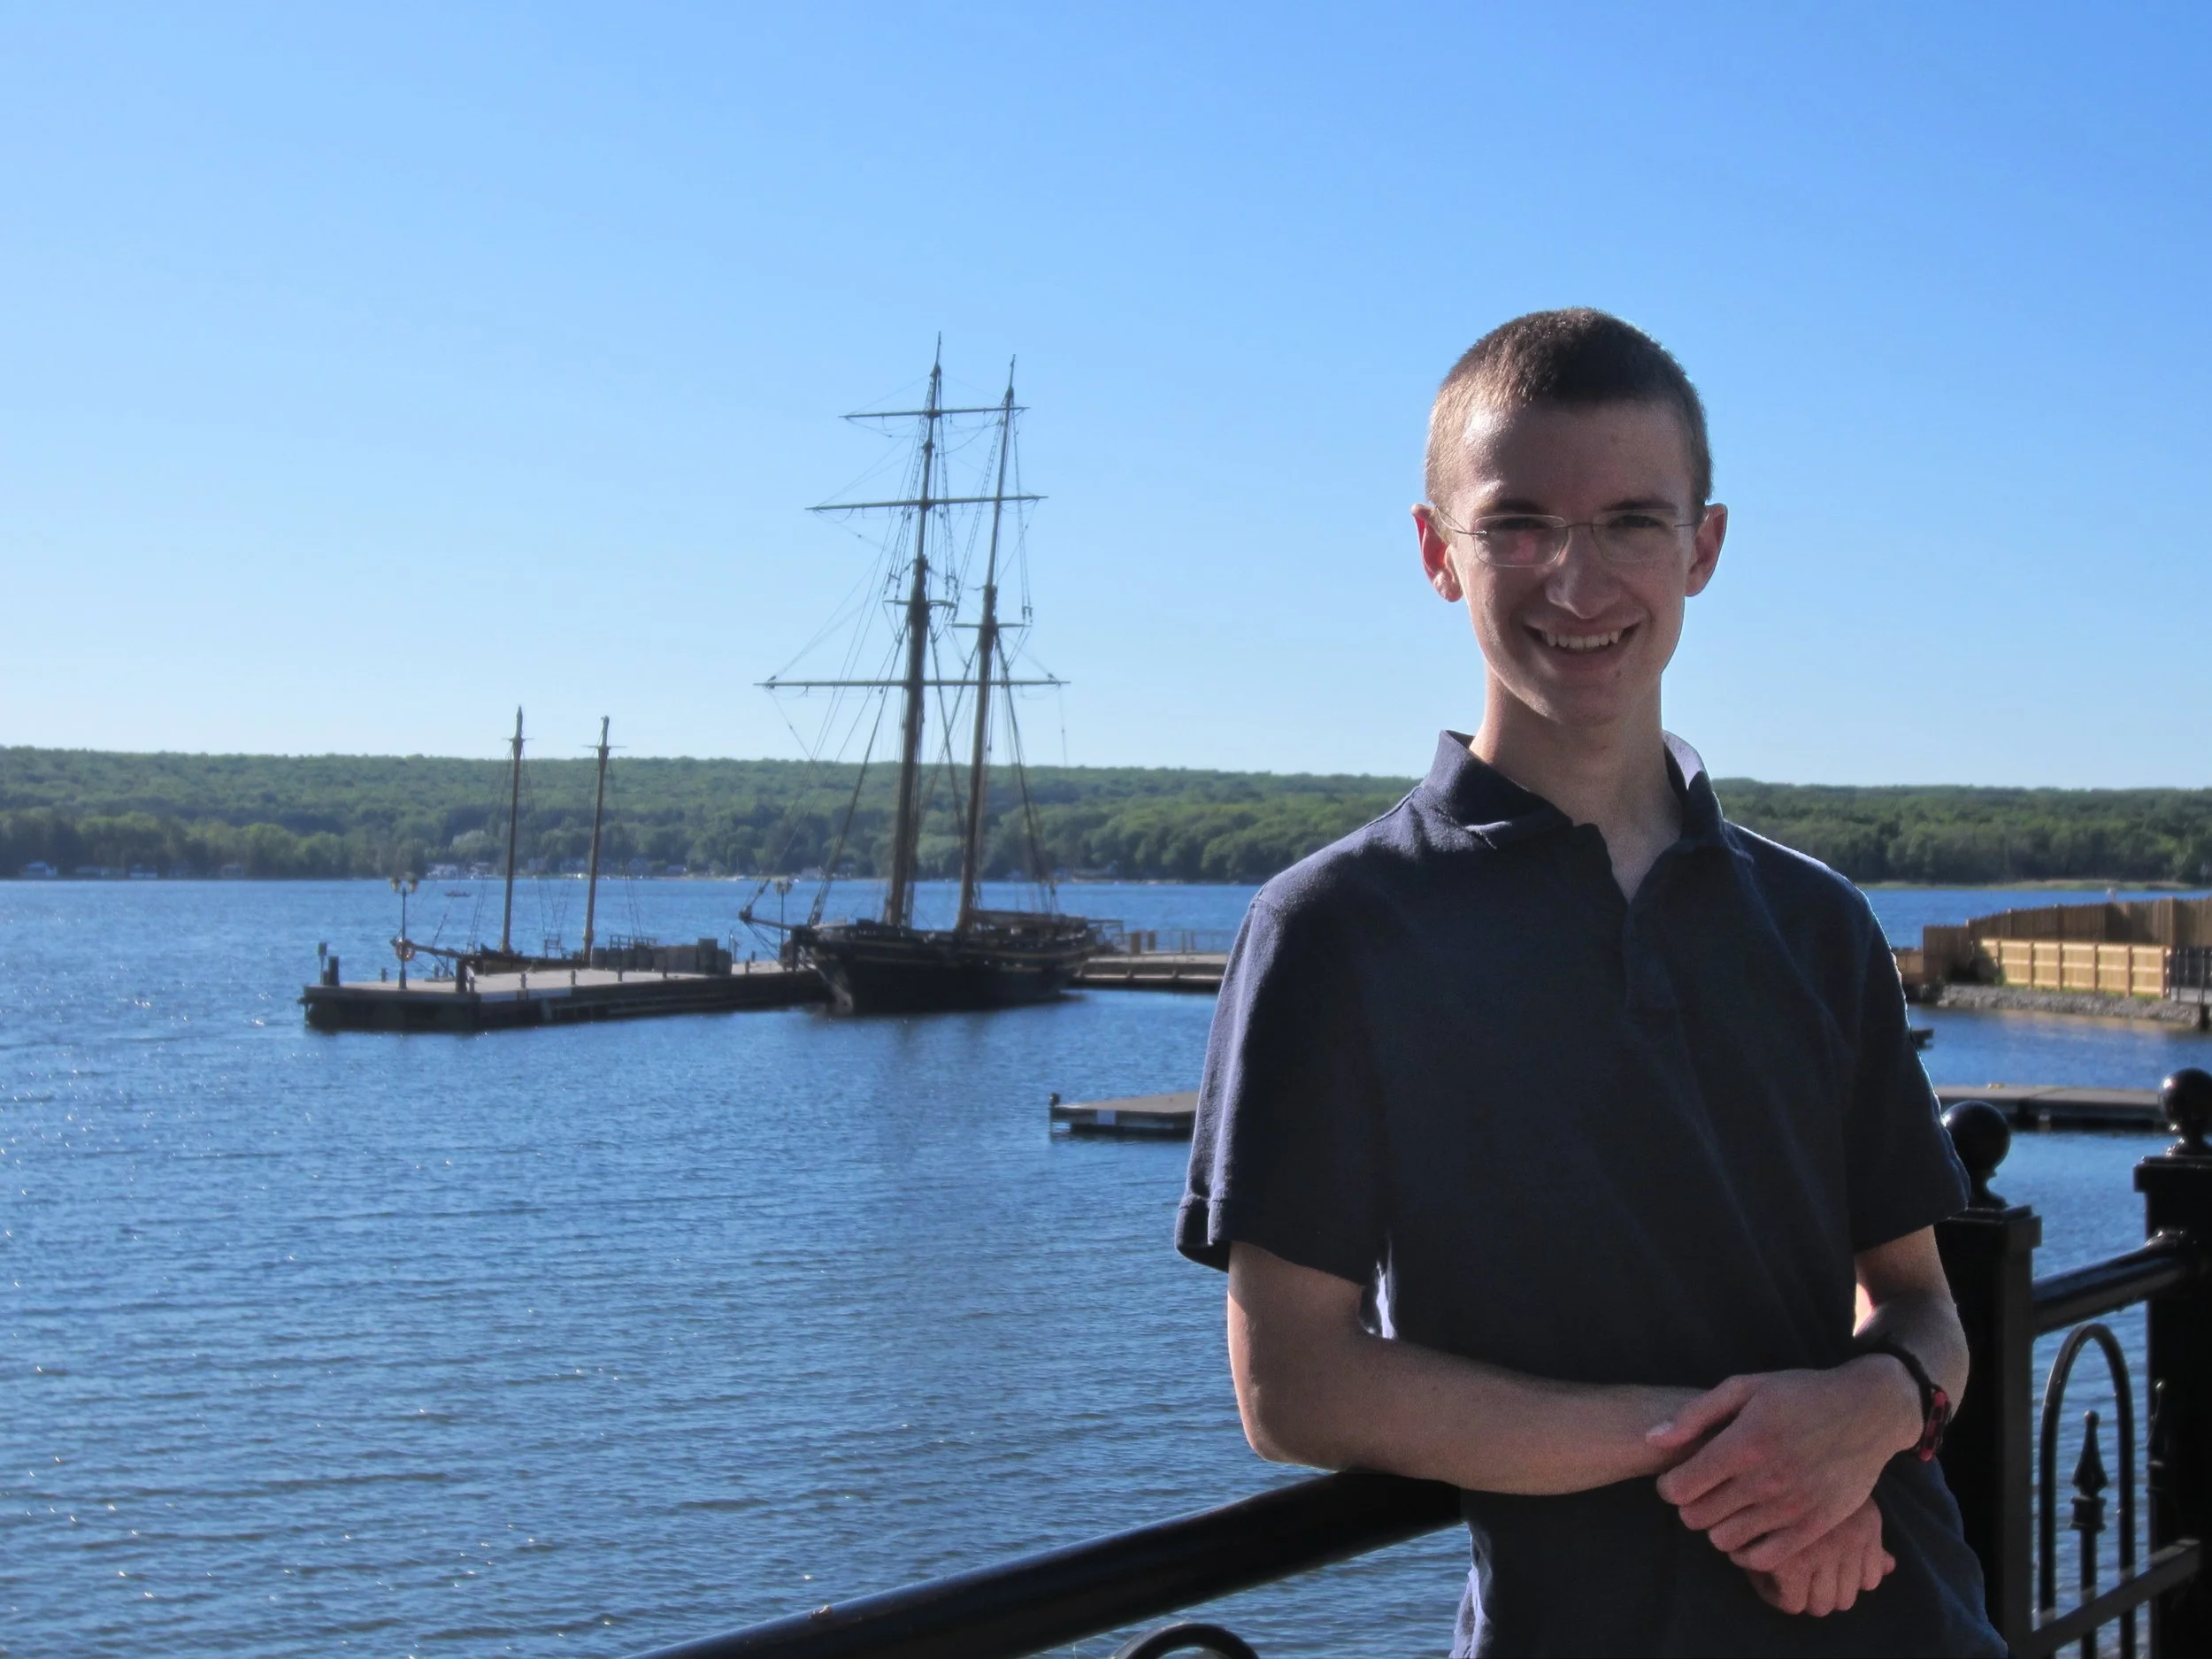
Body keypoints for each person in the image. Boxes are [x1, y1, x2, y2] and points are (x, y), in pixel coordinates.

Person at [1176, 310, 2004, 1655]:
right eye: (1517, 525)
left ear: (1705, 547)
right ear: (1439, 553)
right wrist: (1749, 1454)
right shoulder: (1338, 928)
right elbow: (1295, 1384)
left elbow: (1920, 1305)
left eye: (1632, 520)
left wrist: (1878, 1403)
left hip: (1907, 1616)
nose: (1576, 580)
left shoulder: (1816, 919)